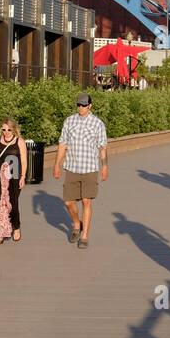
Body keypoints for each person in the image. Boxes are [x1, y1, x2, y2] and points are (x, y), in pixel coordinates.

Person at [53, 93, 108, 249]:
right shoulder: (69, 121)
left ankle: (84, 236)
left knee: (86, 201)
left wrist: (104, 166)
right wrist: (57, 164)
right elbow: (62, 144)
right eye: (79, 105)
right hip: (72, 167)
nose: (81, 107)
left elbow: (102, 148)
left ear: (90, 106)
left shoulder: (98, 124)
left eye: (84, 105)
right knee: (68, 202)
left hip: (90, 167)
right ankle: (77, 223)